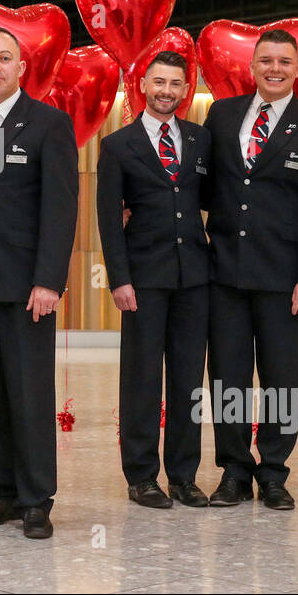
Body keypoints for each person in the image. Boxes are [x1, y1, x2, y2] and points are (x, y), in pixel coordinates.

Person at [203, 29, 298, 511]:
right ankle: (234, 471)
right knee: (228, 379)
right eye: (266, 60)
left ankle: (274, 472)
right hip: (224, 275)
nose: (275, 68)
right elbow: (203, 188)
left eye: (285, 61)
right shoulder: (221, 115)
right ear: (253, 66)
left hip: (288, 282)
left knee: (282, 379)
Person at [0, 27, 79, 539]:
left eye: (5, 58)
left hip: (28, 287)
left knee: (29, 393)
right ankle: (3, 493)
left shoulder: (49, 124)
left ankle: (36, 499)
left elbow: (61, 206)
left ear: (21, 67)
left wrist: (48, 280)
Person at [96, 51, 212, 510]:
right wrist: (119, 279)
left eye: (175, 84)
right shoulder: (118, 145)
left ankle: (184, 475)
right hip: (142, 279)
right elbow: (108, 218)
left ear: (186, 90)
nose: (166, 90)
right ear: (143, 85)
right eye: (158, 82)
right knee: (141, 379)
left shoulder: (201, 140)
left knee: (189, 379)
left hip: (195, 278)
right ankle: (141, 476)